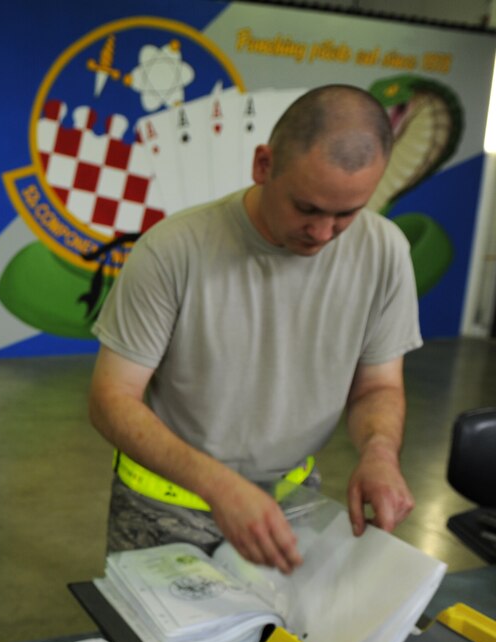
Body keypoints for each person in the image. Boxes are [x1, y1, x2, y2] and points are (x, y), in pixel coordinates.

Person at [88, 84, 421, 575]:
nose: (323, 233)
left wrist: (379, 453)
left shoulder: (385, 252)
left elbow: (378, 387)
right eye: (307, 208)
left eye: (347, 213)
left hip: (293, 508)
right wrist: (220, 486)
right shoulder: (173, 250)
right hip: (165, 513)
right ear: (263, 165)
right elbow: (111, 400)